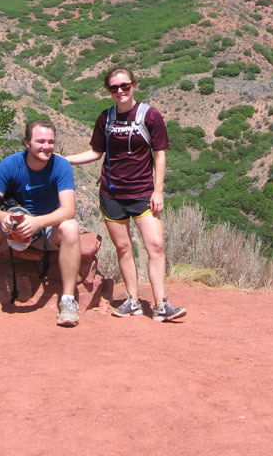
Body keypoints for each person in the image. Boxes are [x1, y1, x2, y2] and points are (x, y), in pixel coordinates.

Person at [65, 67, 186, 322]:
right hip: (112, 193)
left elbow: (160, 153)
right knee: (123, 248)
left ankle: (160, 303)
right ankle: (132, 300)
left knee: (156, 245)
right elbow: (96, 153)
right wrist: (65, 160)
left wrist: (158, 190)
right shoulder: (105, 118)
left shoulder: (150, 116)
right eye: (114, 88)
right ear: (109, 91)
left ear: (134, 85)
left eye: (125, 86)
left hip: (143, 192)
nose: (120, 91)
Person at [0, 119, 82, 327]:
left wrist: (37, 222)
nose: (46, 146)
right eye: (40, 141)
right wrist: (3, 218)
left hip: (45, 229)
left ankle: (68, 301)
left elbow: (68, 210)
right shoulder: (10, 164)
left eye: (50, 142)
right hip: (12, 228)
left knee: (71, 228)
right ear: (27, 143)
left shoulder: (60, 166)